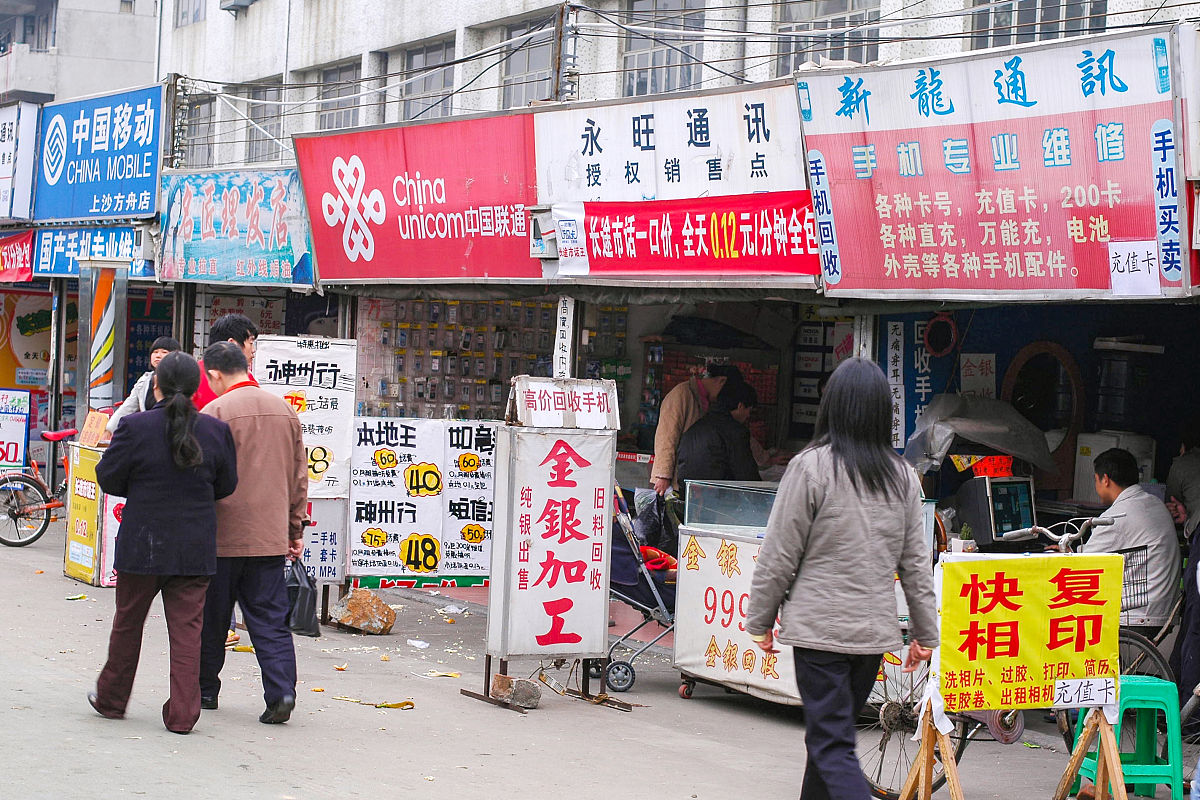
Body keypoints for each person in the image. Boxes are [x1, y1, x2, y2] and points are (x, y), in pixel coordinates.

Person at [745, 357, 936, 800]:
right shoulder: (903, 477)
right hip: (870, 639)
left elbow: (779, 554)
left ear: (831, 406)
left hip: (821, 636)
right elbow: (915, 565)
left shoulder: (810, 467)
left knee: (830, 746)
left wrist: (759, 621)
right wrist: (925, 633)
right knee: (830, 745)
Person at [88, 352, 238, 734]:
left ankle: (111, 699)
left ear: (156, 385)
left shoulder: (135, 427)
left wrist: (138, 487)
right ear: (195, 387)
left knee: (128, 623)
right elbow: (227, 486)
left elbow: (108, 477)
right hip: (194, 547)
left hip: (143, 544)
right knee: (188, 631)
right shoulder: (215, 431)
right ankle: (184, 714)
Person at [198, 341, 308, 725]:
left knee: (212, 618)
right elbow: (298, 478)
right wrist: (294, 529)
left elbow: (201, 478)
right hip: (269, 537)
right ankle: (282, 692)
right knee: (269, 619)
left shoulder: (214, 413)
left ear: (214, 374)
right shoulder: (285, 411)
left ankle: (205, 691)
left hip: (221, 537)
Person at [1084, 448, 1181, 639]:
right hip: (1164, 611)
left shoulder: (1117, 515)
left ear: (1105, 479)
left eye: (1095, 480)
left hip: (1137, 618)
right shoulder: (1154, 503)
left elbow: (1085, 563)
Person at [651, 364, 742, 496]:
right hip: (676, 480)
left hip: (695, 479)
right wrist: (663, 475)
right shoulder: (681, 394)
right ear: (721, 381)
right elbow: (667, 436)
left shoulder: (706, 400)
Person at [674, 379, 761, 498]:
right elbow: (747, 475)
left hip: (689, 500)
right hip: (718, 503)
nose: (748, 416)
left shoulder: (695, 428)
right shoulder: (735, 432)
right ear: (740, 406)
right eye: (749, 410)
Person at [105, 337, 182, 433]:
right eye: (155, 352)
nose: (158, 355)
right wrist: (109, 430)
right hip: (148, 432)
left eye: (164, 352)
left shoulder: (181, 380)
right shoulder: (144, 380)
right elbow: (127, 407)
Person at [192, 313, 258, 410]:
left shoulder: (192, 373)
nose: (253, 350)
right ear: (232, 344)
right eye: (251, 343)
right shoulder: (246, 378)